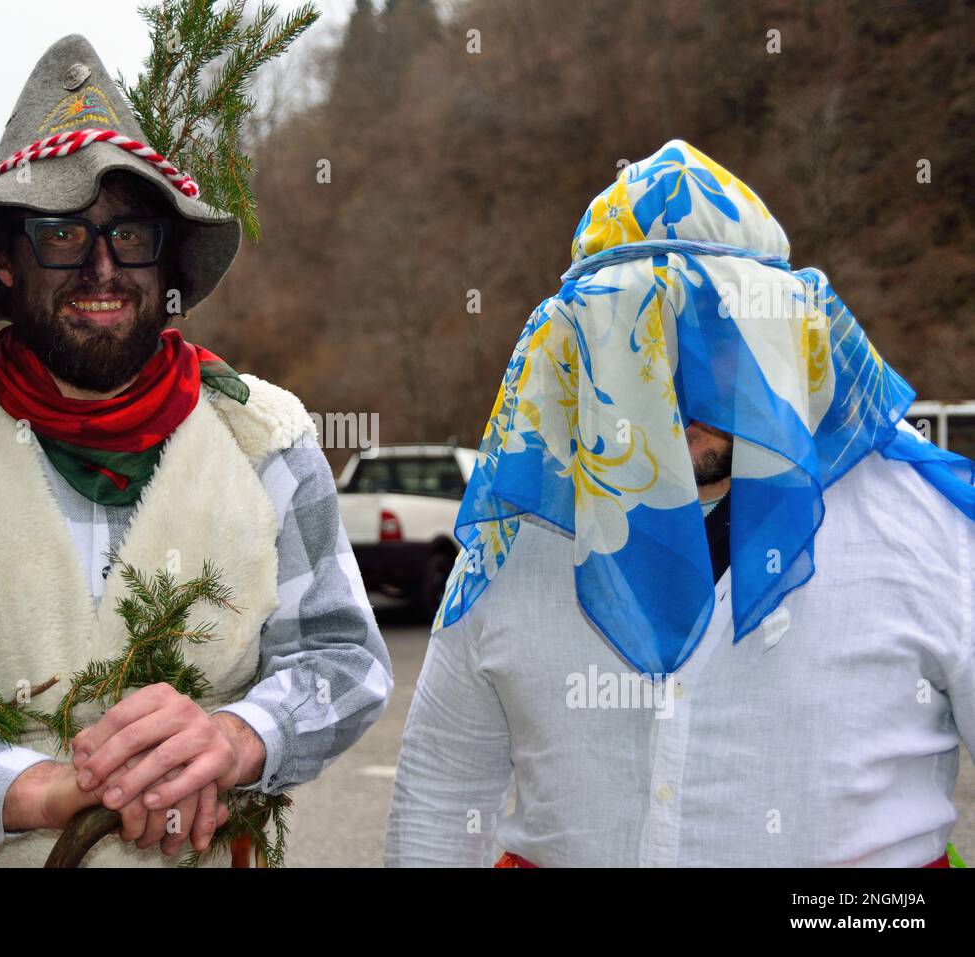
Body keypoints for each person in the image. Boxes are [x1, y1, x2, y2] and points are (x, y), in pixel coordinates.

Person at [0, 34, 392, 867]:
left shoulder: (266, 436)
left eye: (130, 234)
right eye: (62, 235)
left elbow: (345, 658)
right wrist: (36, 789)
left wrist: (233, 737)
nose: (104, 269)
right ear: (3, 259)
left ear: (166, 255)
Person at [385, 139, 975, 867]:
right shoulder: (517, 540)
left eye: (715, 338)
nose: (681, 385)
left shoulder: (929, 527)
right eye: (642, 343)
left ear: (781, 336)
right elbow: (441, 798)